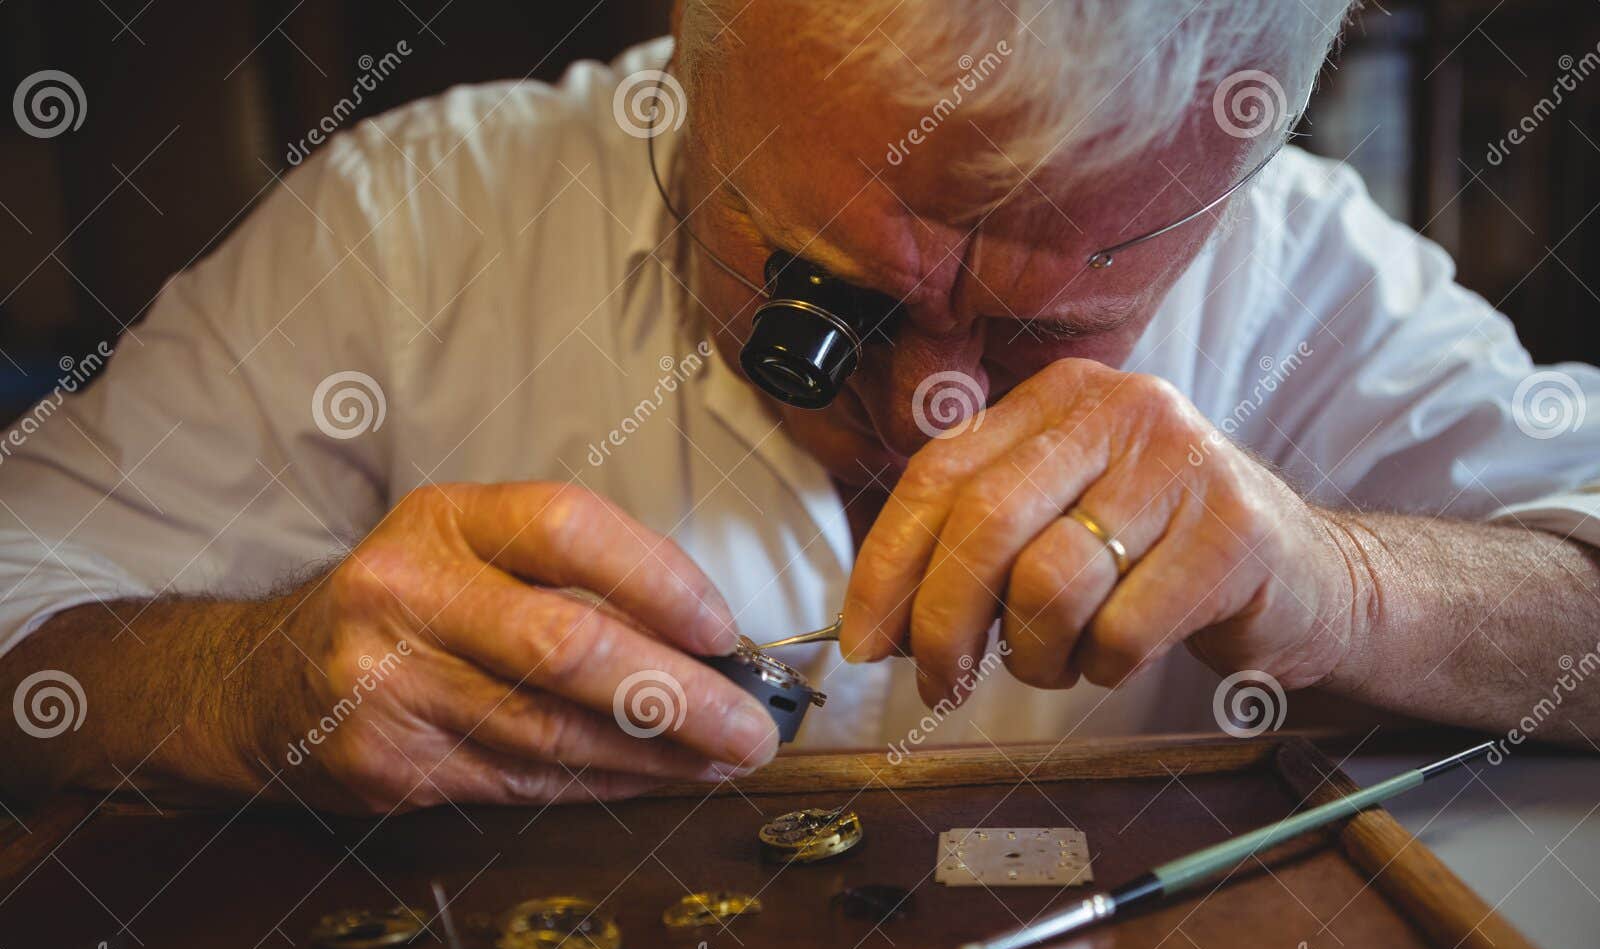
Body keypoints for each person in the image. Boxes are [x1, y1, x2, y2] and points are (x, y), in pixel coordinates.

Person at [2, 1, 1597, 814]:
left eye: (1046, 325)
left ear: (1225, 179)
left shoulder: (1310, 275)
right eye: (822, 302)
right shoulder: (409, 228)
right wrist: (249, 682)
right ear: (699, 58)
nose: (935, 398)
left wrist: (1356, 585)